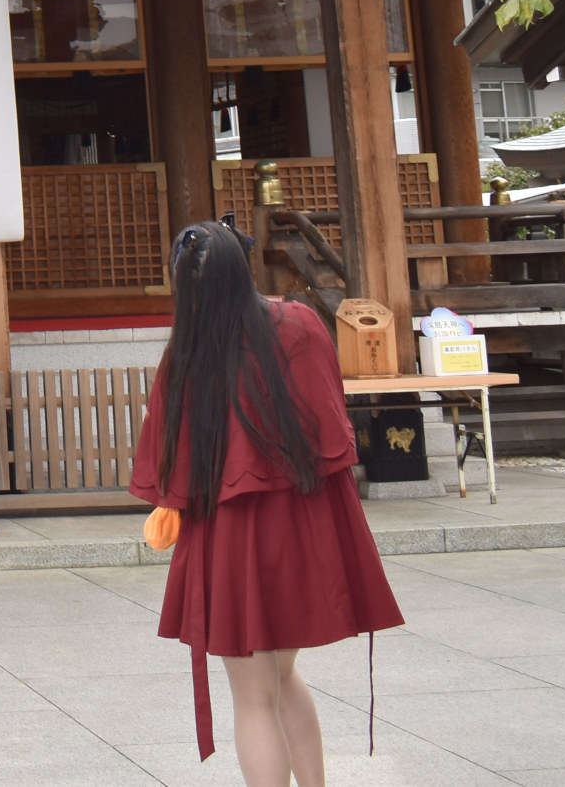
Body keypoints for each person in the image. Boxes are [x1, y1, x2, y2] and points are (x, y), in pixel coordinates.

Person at [131, 221, 404, 783]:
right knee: (282, 678)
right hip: (300, 525)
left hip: (233, 535)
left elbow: (170, 465)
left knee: (254, 698)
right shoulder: (300, 324)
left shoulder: (187, 354)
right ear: (242, 267)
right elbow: (330, 427)